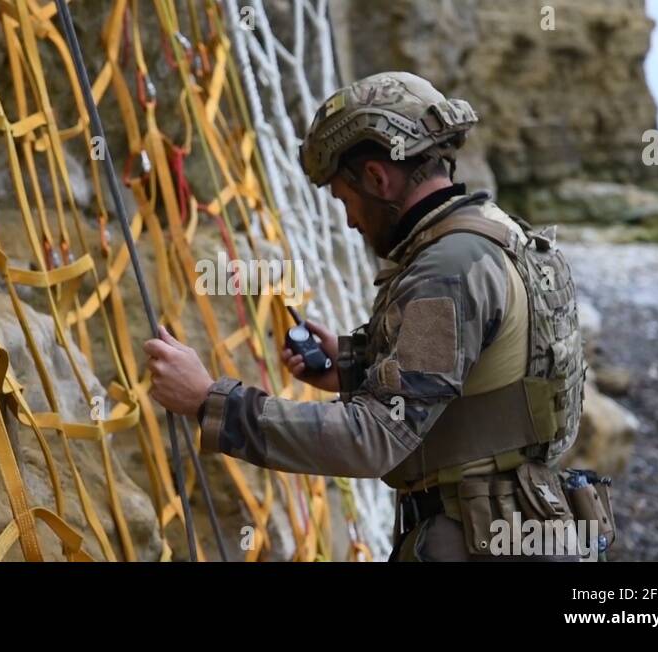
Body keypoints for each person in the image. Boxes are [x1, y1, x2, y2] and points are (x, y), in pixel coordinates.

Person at [143, 72, 594, 561]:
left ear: (379, 178)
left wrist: (212, 404)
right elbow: (478, 374)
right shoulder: (495, 233)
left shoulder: (449, 268)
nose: (348, 219)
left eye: (344, 198)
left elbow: (374, 439)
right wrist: (354, 364)